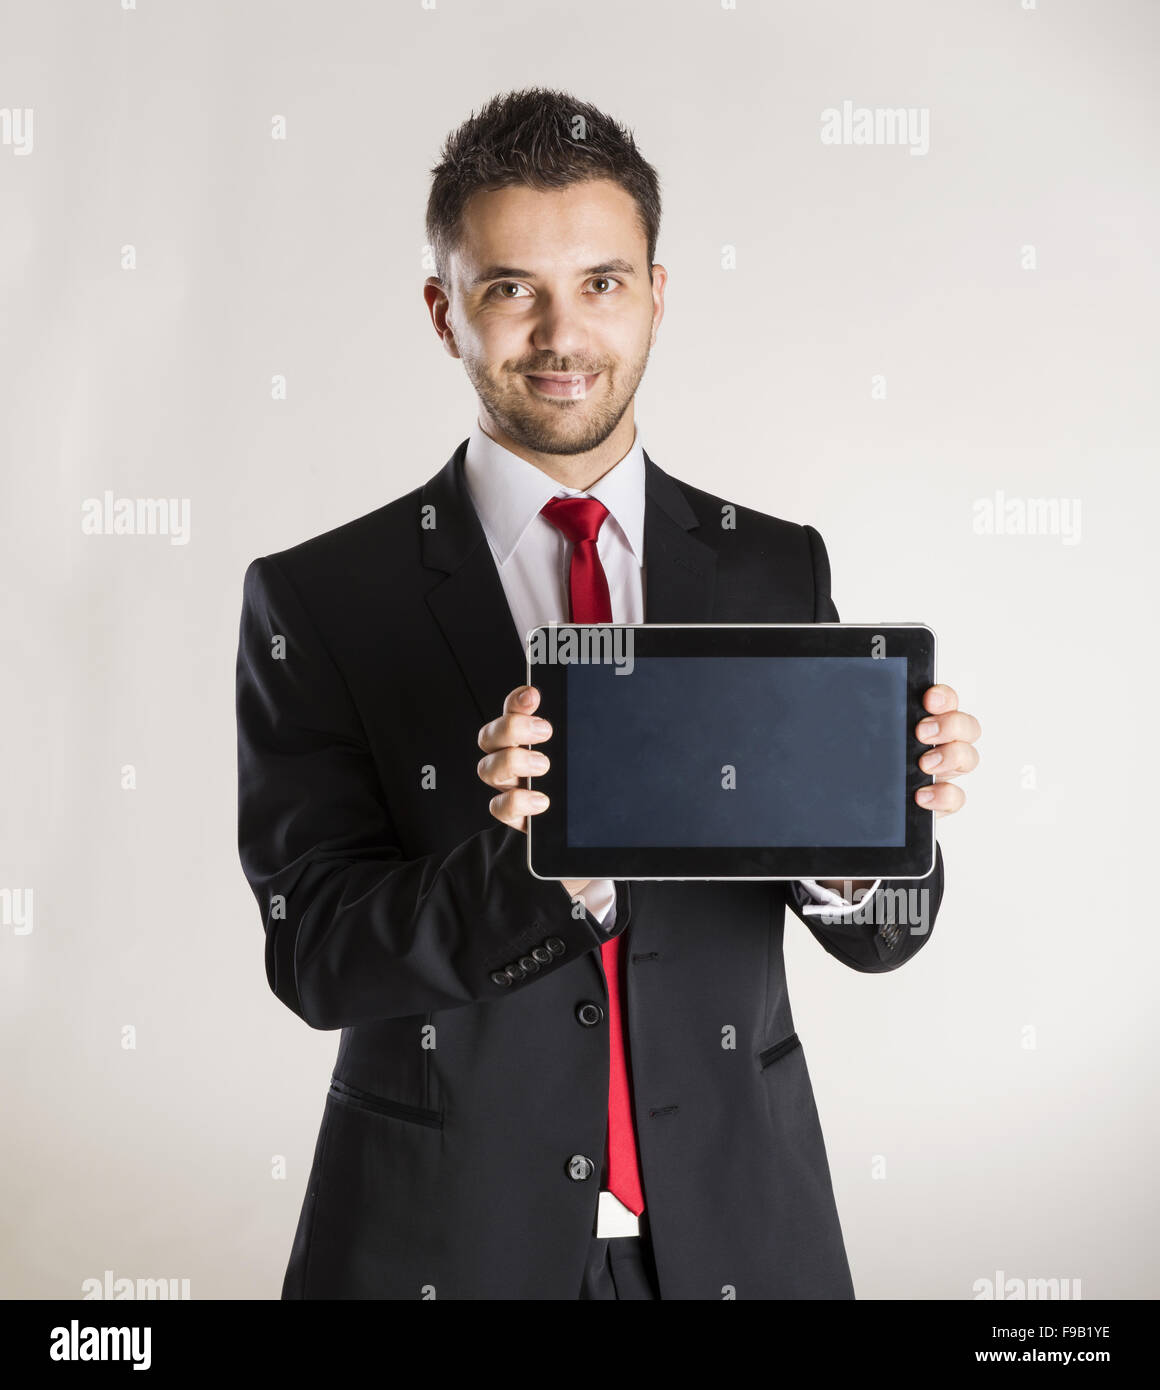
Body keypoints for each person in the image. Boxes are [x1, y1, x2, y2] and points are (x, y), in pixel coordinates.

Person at [235, 87, 981, 1300]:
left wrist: (868, 837)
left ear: (655, 294)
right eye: (509, 287)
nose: (559, 333)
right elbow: (314, 954)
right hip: (443, 1241)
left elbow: (885, 934)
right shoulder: (319, 598)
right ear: (444, 311)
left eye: (600, 282)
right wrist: (538, 861)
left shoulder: (770, 564)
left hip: (745, 1231)